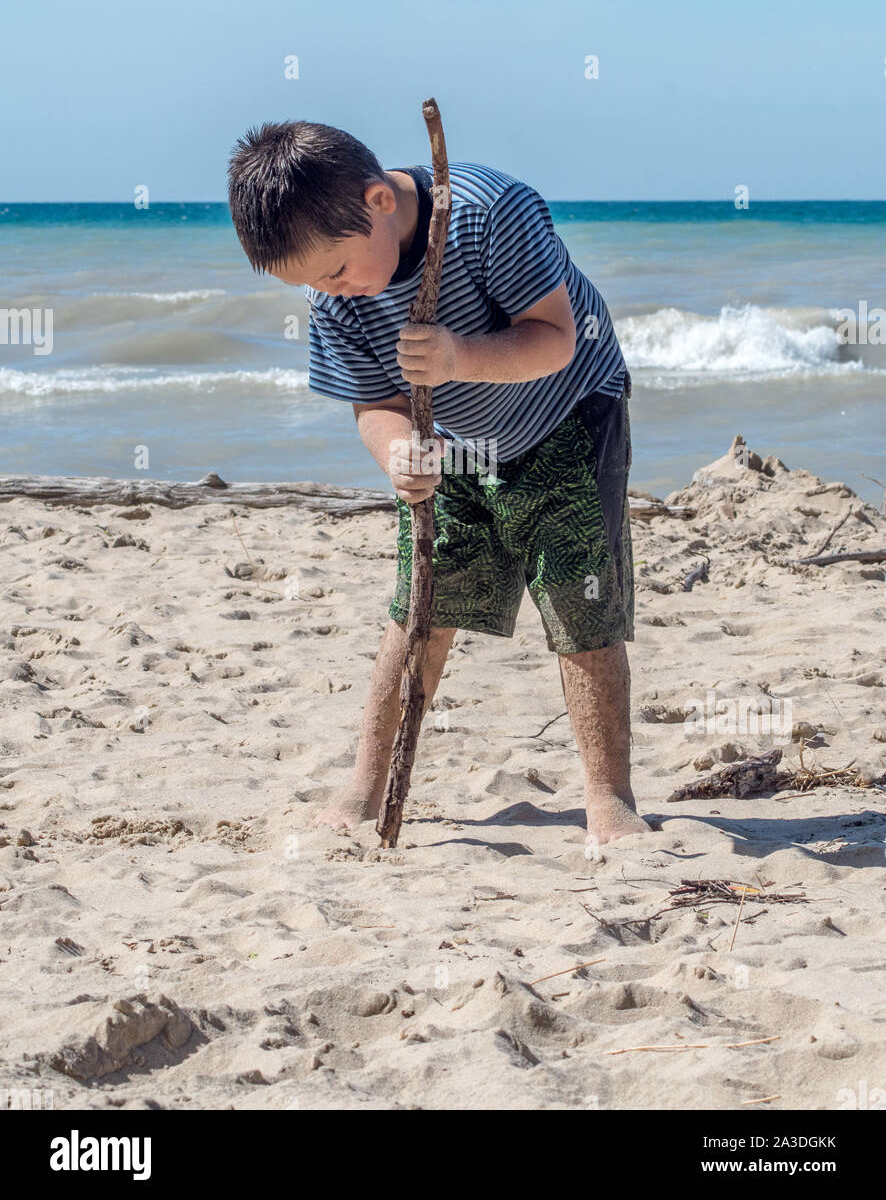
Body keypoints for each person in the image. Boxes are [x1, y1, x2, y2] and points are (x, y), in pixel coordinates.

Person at [228, 119, 648, 848]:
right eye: (315, 285)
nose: (338, 295)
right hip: (453, 441)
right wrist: (398, 457)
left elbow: (553, 338)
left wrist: (457, 355)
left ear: (378, 202)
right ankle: (365, 784)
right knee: (420, 607)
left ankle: (608, 799)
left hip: (570, 411)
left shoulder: (489, 213)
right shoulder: (335, 300)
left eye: (336, 272)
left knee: (581, 598)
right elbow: (376, 405)